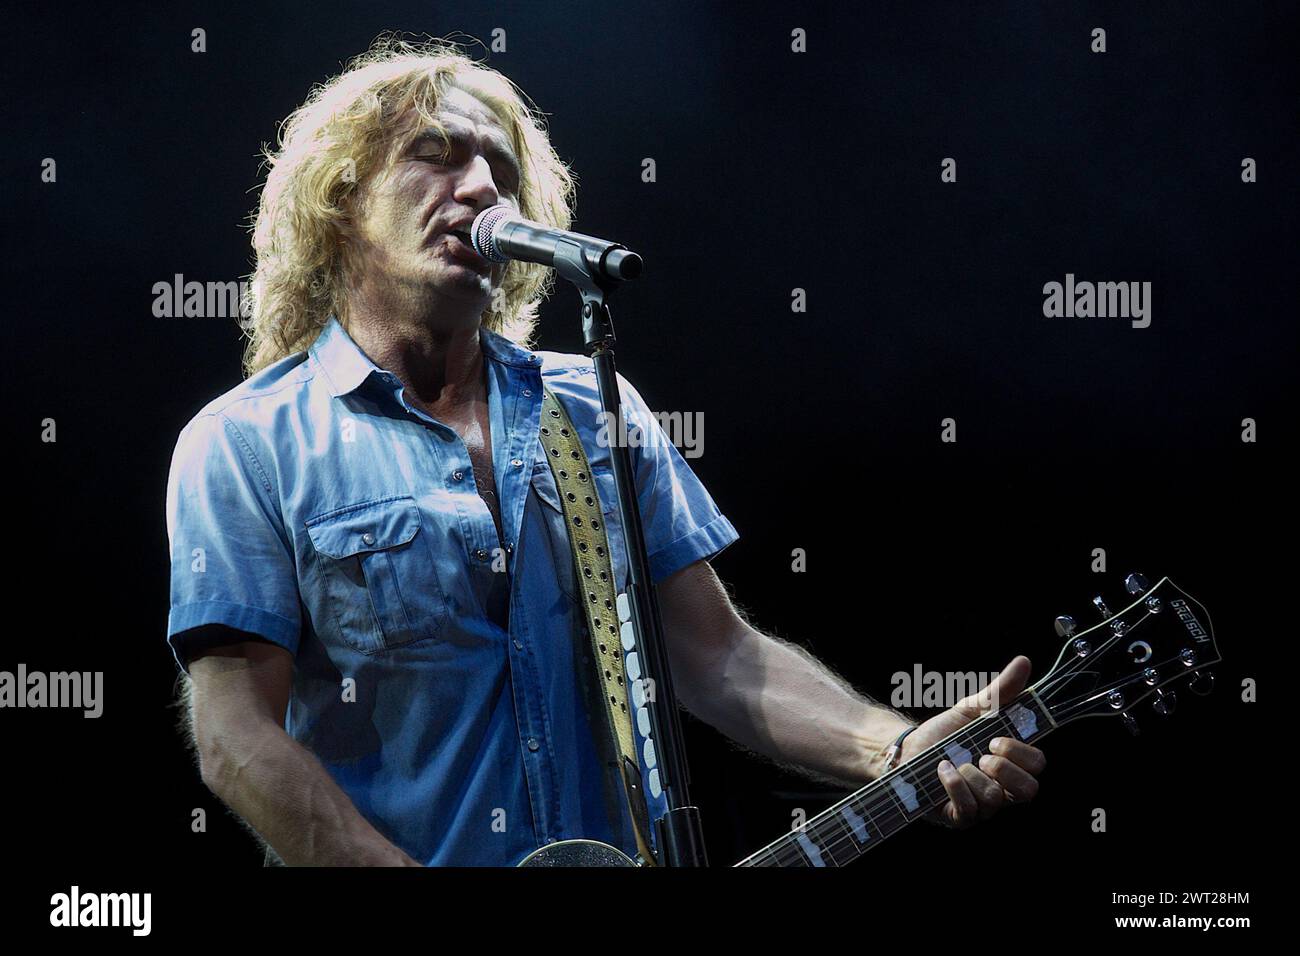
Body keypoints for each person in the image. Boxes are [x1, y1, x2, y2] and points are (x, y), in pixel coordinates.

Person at [166, 37, 1044, 867]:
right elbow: (236, 739)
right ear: (343, 196)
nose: (480, 189)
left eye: (502, 173)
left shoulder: (593, 408)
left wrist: (889, 748)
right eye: (437, 154)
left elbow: (718, 657)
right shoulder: (247, 442)